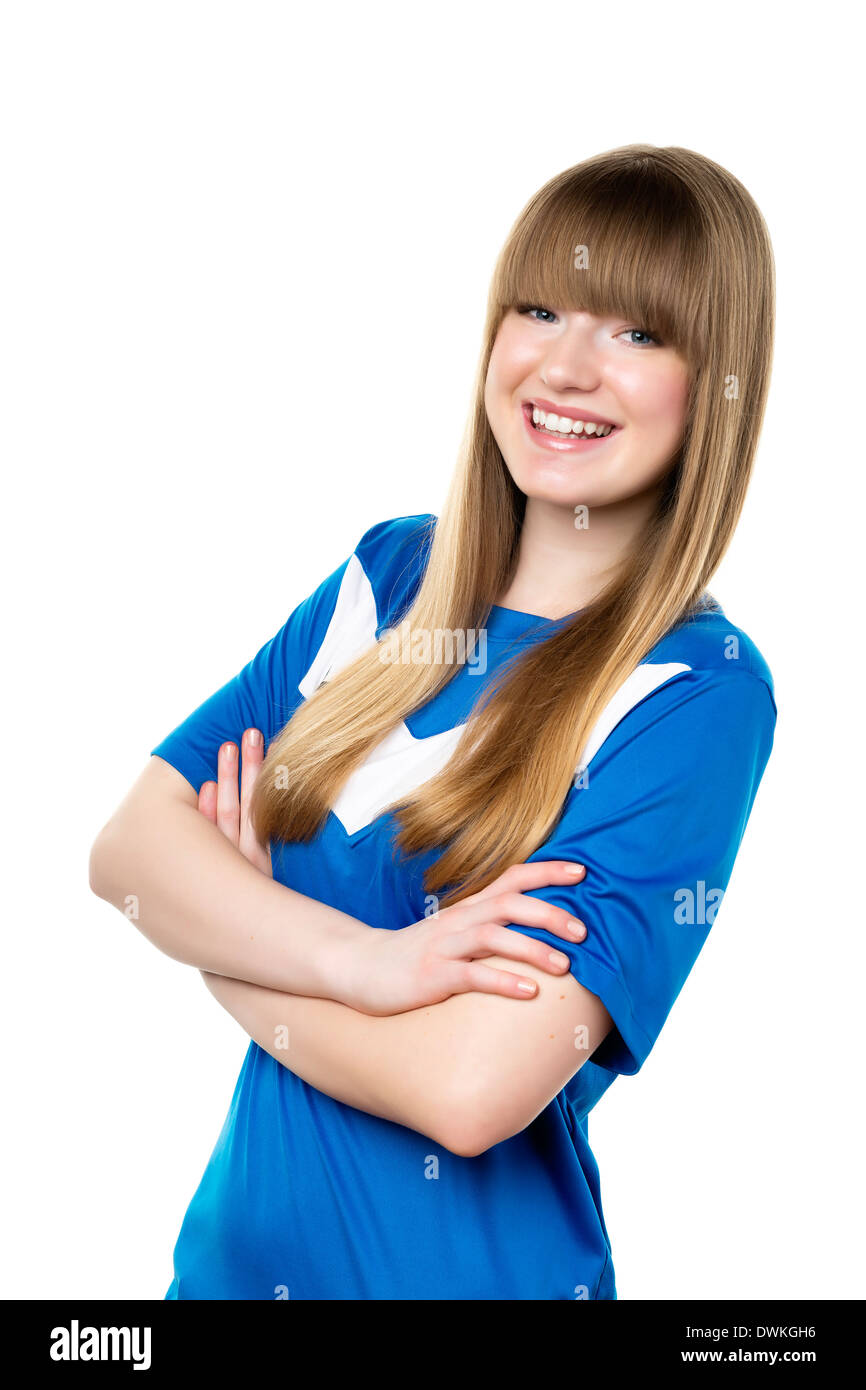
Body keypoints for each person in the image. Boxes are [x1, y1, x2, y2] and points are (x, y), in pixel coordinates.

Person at [89, 143, 777, 1300]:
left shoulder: (697, 692)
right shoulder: (385, 574)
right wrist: (371, 966)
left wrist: (229, 950)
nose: (564, 368)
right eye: (540, 308)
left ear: (715, 383)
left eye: (638, 333)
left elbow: (468, 1093)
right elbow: (130, 854)